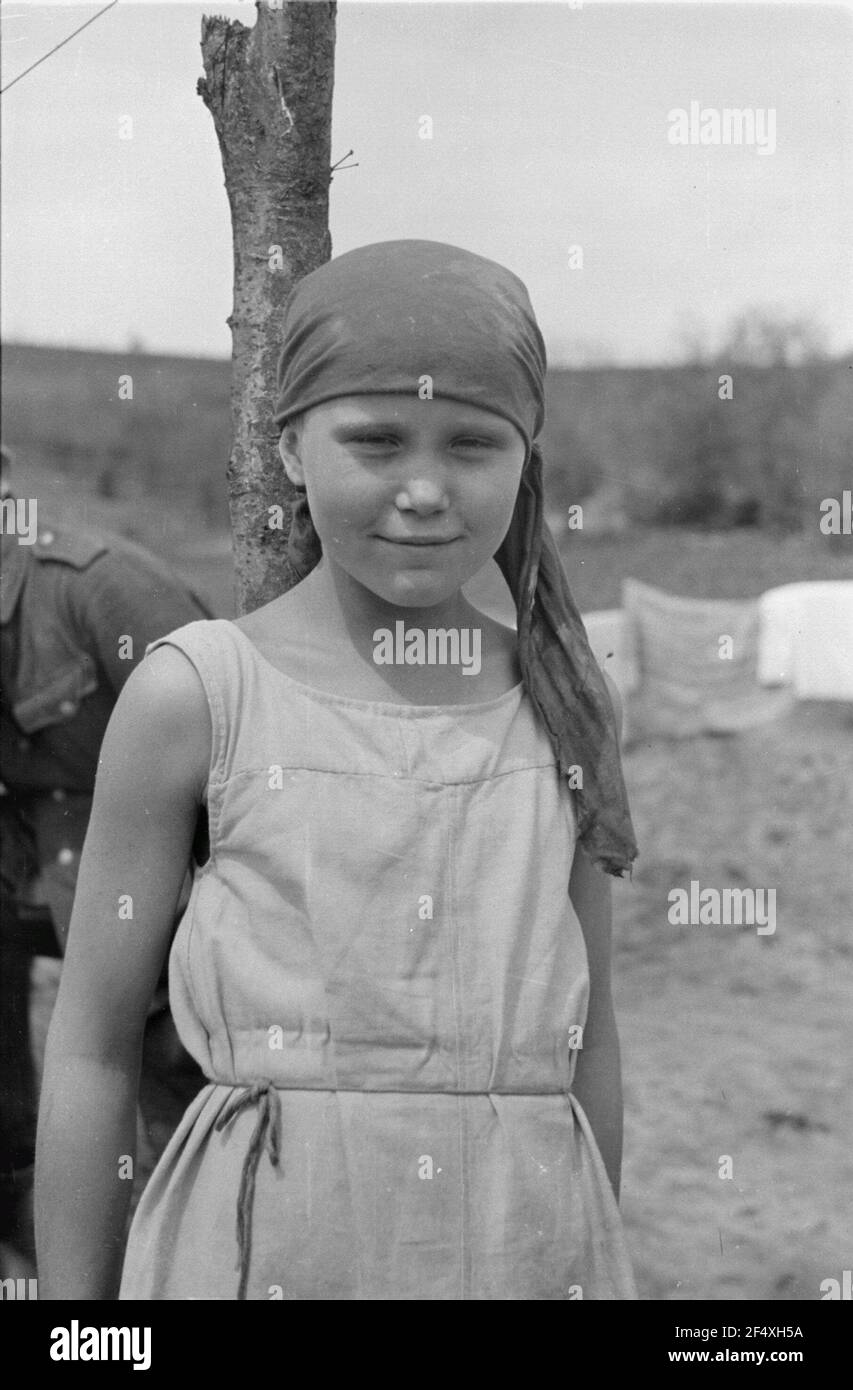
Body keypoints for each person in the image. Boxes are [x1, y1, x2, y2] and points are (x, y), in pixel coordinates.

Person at [35, 240, 640, 1301]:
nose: (422, 489)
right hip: (266, 1243)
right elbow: (90, 1046)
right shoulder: (202, 694)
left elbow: (588, 1046)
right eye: (374, 440)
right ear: (293, 449)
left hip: (520, 1248)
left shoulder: (563, 702)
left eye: (472, 444)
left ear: (524, 459)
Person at [0, 445, 210, 1278]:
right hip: (27, 864)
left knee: (169, 1062)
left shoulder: (96, 584)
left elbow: (225, 752)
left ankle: (183, 1238)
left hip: (147, 857)